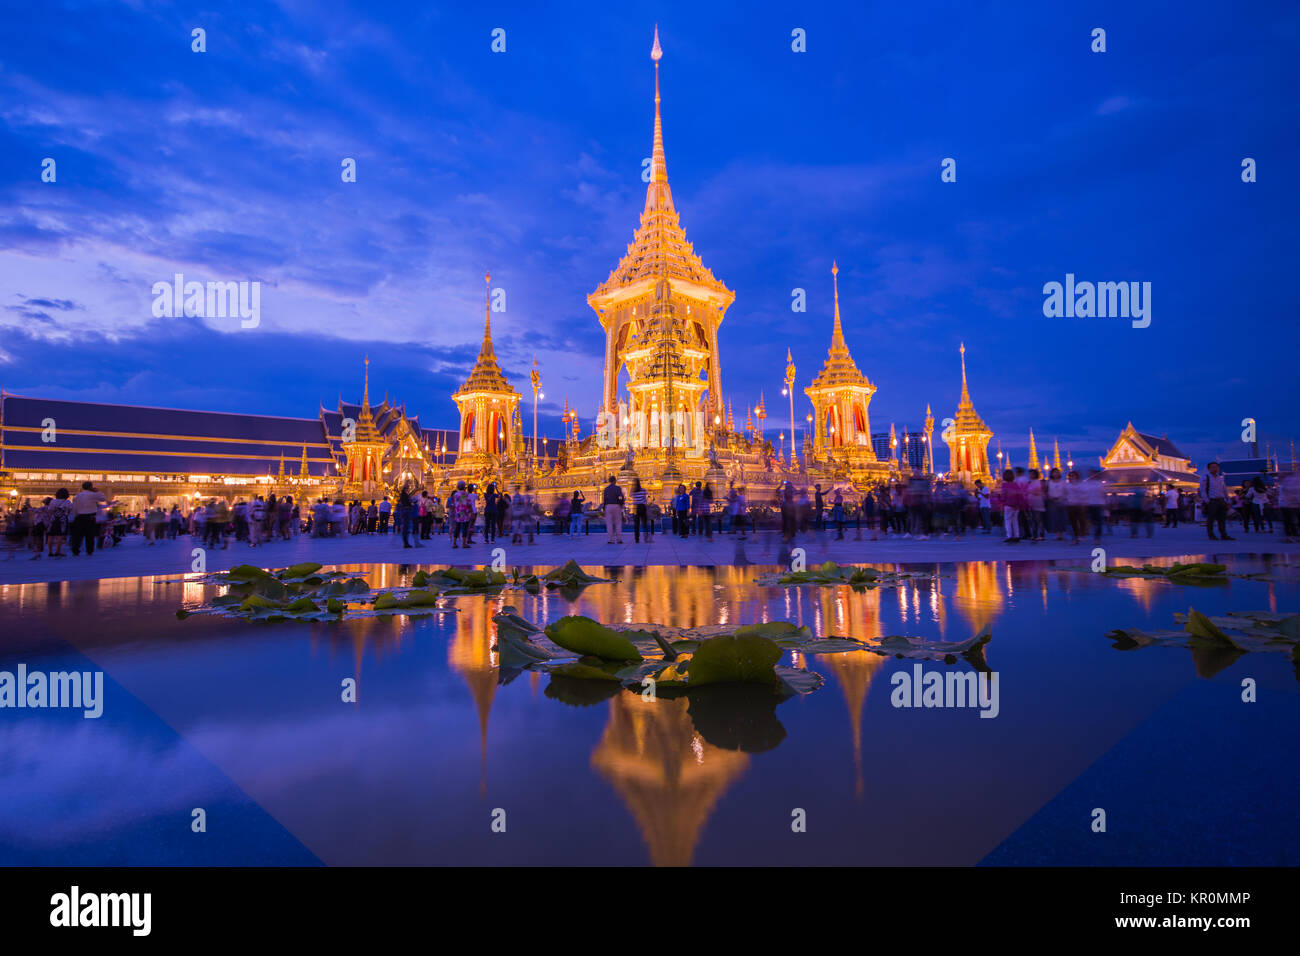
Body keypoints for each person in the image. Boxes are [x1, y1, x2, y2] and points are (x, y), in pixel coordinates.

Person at [70, 481, 108, 556]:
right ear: (91, 487)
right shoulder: (93, 495)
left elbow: (74, 508)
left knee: (78, 535)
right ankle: (89, 550)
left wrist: (74, 516)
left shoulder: (77, 496)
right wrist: (97, 491)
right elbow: (103, 499)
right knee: (89, 535)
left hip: (79, 517)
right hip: (90, 517)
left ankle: (75, 550)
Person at [1199, 461, 1233, 541]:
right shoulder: (1205, 478)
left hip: (1221, 500)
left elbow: (1224, 490)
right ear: (1209, 469)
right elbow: (1202, 490)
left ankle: (1223, 534)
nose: (1215, 469)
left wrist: (1227, 499)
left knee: (1222, 519)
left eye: (1216, 467)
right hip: (1212, 501)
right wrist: (1207, 501)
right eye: (1213, 467)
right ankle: (1211, 535)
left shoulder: (1220, 478)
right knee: (1211, 519)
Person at [45, 488, 72, 557]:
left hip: (53, 519)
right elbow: (69, 511)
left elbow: (50, 511)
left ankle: (50, 552)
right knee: (59, 536)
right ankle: (58, 551)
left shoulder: (53, 501)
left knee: (50, 535)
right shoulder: (67, 502)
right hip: (62, 520)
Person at [602, 475, 625, 544]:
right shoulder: (618, 488)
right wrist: (621, 504)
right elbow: (621, 496)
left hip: (608, 506)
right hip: (616, 505)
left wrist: (604, 508)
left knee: (609, 523)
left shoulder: (606, 489)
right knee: (618, 523)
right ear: (615, 481)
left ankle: (611, 540)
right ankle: (619, 539)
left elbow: (604, 499)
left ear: (609, 481)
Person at [631, 478, 650, 543]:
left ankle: (637, 538)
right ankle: (646, 537)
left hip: (636, 508)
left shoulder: (633, 491)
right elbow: (646, 498)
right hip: (642, 507)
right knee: (644, 523)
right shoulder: (643, 490)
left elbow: (631, 497)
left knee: (636, 524)